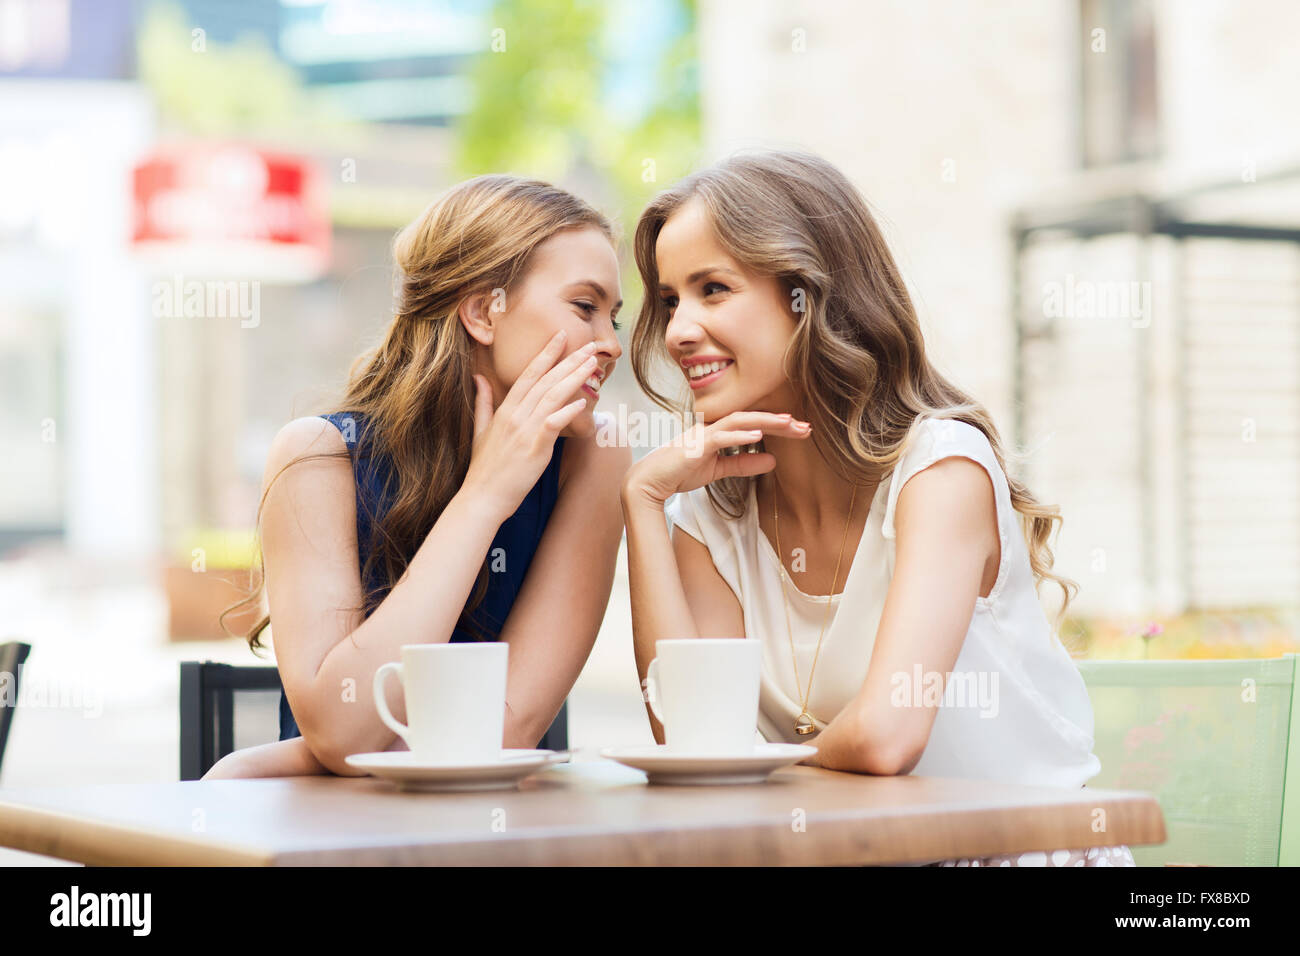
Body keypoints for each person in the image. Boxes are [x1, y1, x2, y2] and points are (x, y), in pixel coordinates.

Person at [620, 148, 1134, 866]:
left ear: (808, 297)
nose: (677, 330)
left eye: (713, 289)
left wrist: (759, 764)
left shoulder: (939, 470)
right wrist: (642, 501)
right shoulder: (708, 516)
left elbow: (887, 738)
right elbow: (693, 743)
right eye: (671, 300)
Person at [204, 175, 629, 779]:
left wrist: (280, 761)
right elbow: (344, 728)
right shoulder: (318, 459)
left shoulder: (596, 457)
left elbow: (507, 727)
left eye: (614, 316)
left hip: (489, 828)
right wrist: (486, 497)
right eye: (585, 307)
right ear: (484, 311)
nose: (610, 344)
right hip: (333, 835)